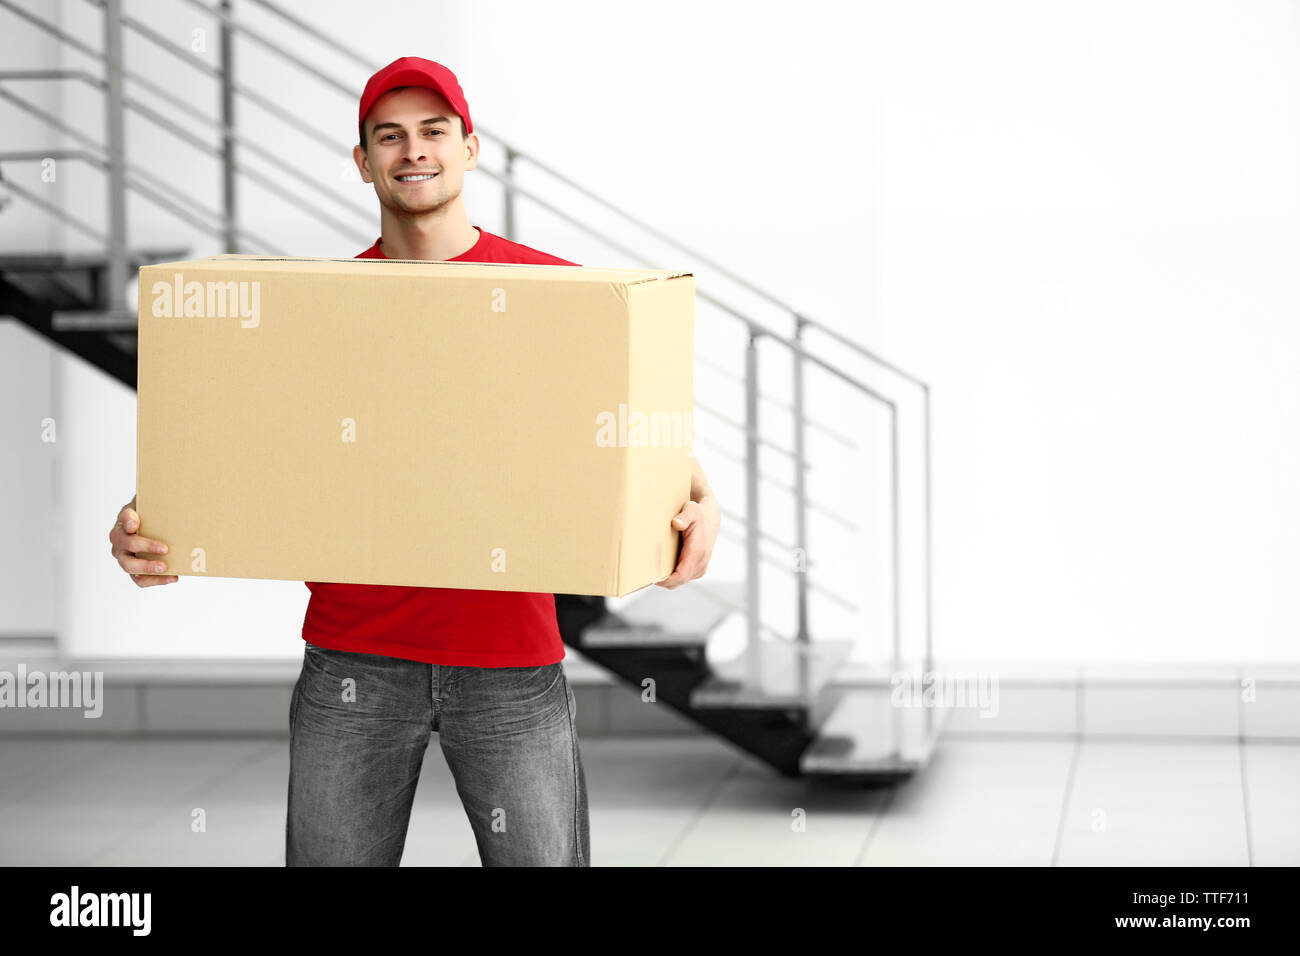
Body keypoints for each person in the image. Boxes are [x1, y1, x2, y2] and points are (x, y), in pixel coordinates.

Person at [108, 57, 722, 867]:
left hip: (510, 662)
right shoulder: (320, 311)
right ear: (363, 163)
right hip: (353, 666)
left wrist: (701, 503)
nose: (413, 151)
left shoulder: (560, 296)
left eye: (434, 131)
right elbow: (244, 442)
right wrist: (155, 524)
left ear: (471, 148)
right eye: (389, 136)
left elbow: (640, 438)